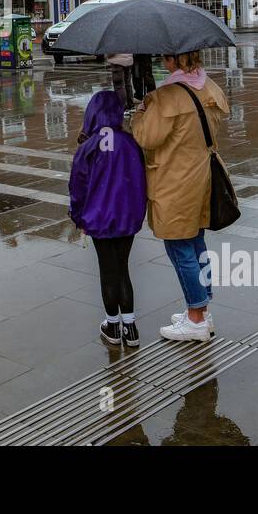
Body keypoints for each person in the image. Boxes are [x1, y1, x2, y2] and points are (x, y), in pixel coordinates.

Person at [131, 49, 230, 343]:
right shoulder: (208, 86)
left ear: (173, 60)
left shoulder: (166, 96)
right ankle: (201, 308)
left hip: (175, 180)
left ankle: (196, 318)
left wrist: (139, 113)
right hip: (203, 176)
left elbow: (146, 137)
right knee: (197, 241)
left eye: (165, 57)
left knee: (178, 246)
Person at [68, 89, 148, 347]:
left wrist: (78, 217)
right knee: (123, 269)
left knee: (107, 270)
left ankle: (112, 325)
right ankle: (131, 327)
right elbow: (140, 182)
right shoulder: (130, 142)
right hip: (126, 217)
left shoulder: (88, 147)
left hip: (98, 217)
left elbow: (77, 188)